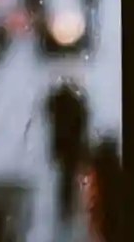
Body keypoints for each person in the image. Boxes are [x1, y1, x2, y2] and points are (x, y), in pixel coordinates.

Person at [45, 80, 90, 219]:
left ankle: (65, 206)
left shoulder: (59, 104)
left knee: (65, 177)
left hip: (62, 144)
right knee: (69, 176)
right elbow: (84, 119)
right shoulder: (76, 105)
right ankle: (69, 205)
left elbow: (47, 109)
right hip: (72, 145)